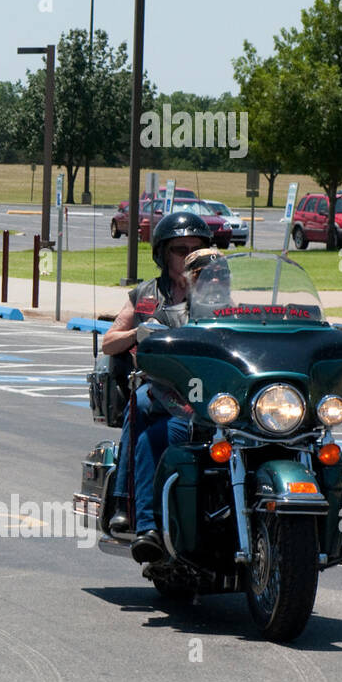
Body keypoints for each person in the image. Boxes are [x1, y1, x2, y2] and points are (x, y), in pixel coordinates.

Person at [100, 210, 213, 563]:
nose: (188, 256)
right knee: (145, 406)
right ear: (163, 254)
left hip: (205, 390)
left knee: (167, 430)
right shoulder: (146, 294)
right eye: (181, 249)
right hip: (159, 384)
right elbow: (109, 343)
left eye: (197, 250)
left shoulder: (219, 295)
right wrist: (139, 333)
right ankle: (128, 508)